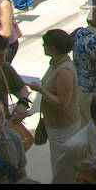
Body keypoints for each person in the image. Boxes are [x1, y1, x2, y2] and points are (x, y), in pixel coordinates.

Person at [37, 29, 82, 180]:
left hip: (63, 127)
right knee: (58, 164)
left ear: (54, 48)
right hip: (55, 124)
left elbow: (63, 103)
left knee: (62, 167)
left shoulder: (64, 71)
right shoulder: (56, 64)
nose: (43, 47)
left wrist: (40, 90)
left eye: (45, 45)